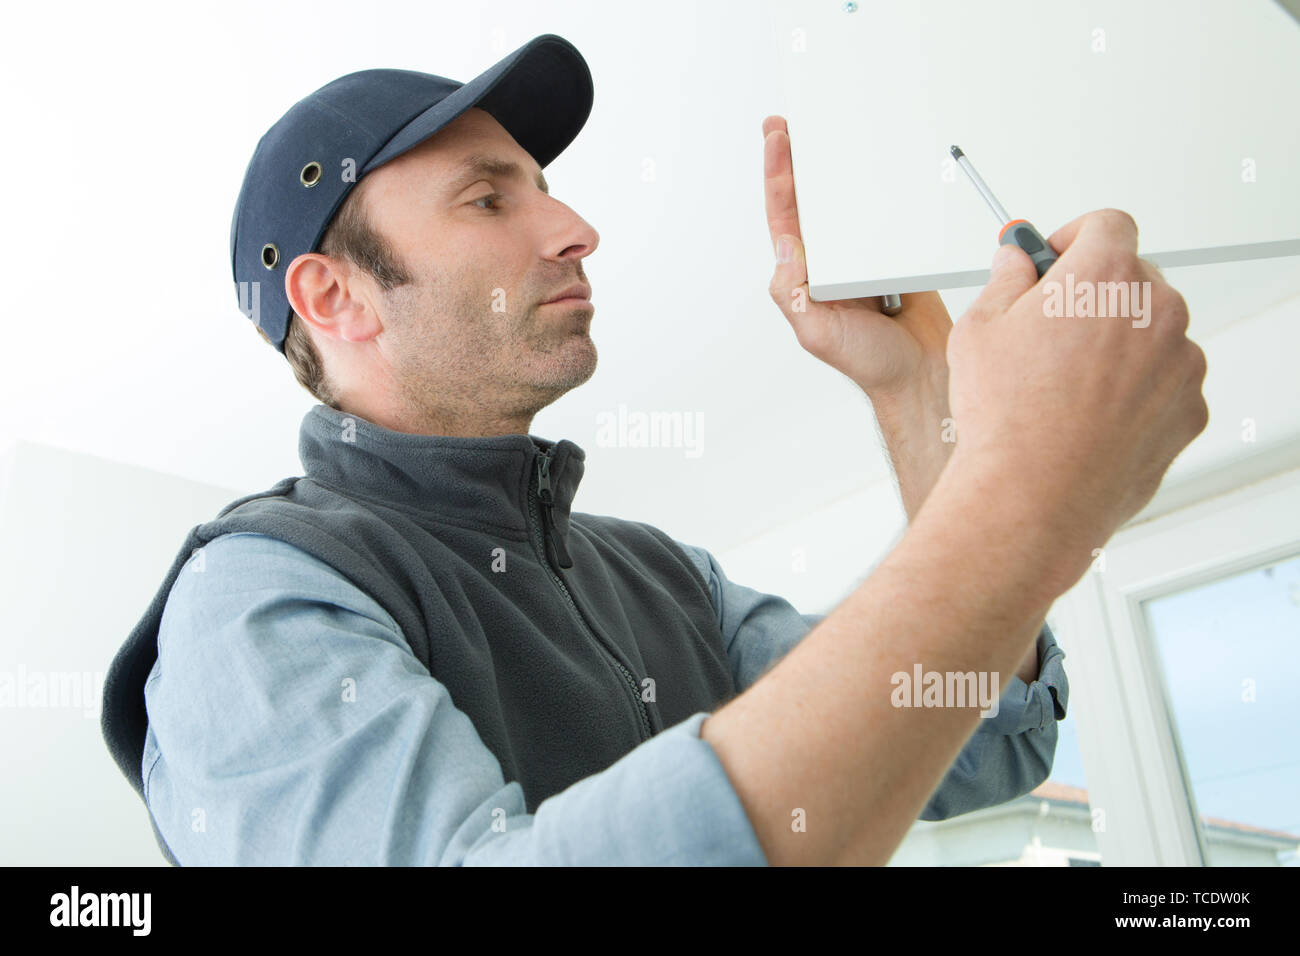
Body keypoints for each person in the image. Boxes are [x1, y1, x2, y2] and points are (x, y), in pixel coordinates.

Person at [102, 34, 1204, 866]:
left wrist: (920, 396)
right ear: (334, 294)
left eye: (544, 184)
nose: (573, 224)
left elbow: (972, 740)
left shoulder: (664, 575)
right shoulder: (254, 598)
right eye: (490, 195)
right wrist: (1025, 496)